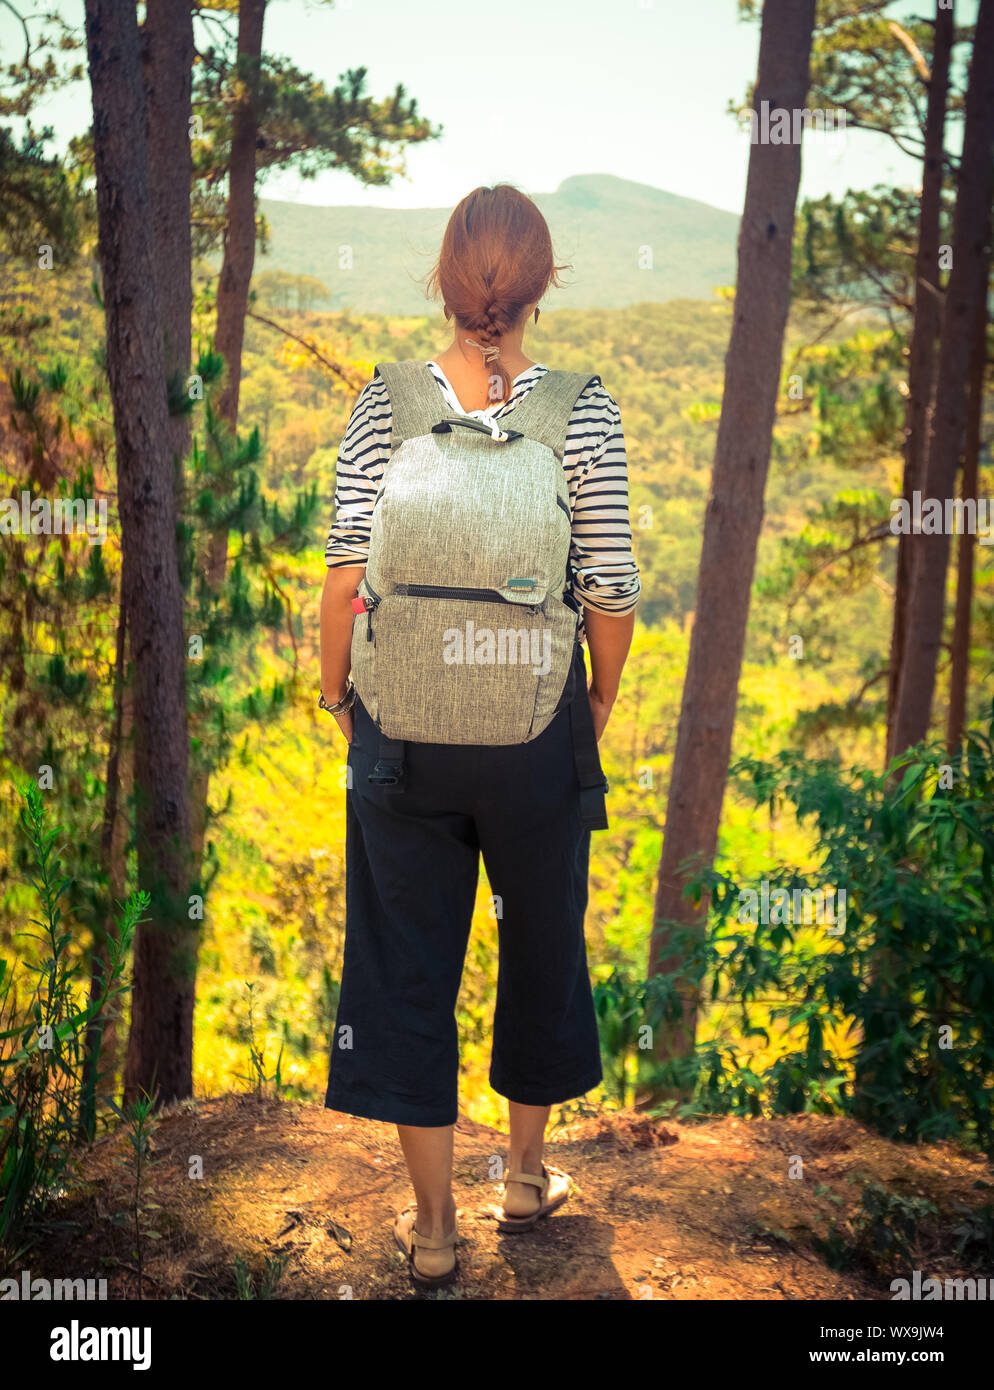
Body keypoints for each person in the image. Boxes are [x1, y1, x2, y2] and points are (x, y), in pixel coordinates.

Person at [319, 184, 640, 1287]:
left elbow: (344, 573)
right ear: (543, 284)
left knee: (406, 966)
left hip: (401, 731)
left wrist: (337, 695)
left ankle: (432, 1227)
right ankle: (520, 1176)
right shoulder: (582, 410)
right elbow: (608, 586)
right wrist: (589, 703)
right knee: (540, 942)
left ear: (446, 282)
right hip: (533, 729)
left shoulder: (388, 400)